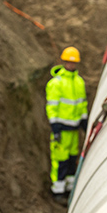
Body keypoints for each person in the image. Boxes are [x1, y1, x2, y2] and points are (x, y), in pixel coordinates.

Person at [45, 47, 88, 197]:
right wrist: (55, 128)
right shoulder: (56, 83)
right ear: (63, 61)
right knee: (60, 161)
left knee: (71, 160)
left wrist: (84, 123)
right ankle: (57, 191)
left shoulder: (79, 82)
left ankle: (69, 189)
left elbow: (82, 104)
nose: (71, 65)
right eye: (69, 62)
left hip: (74, 130)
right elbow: (52, 107)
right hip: (62, 131)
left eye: (73, 62)